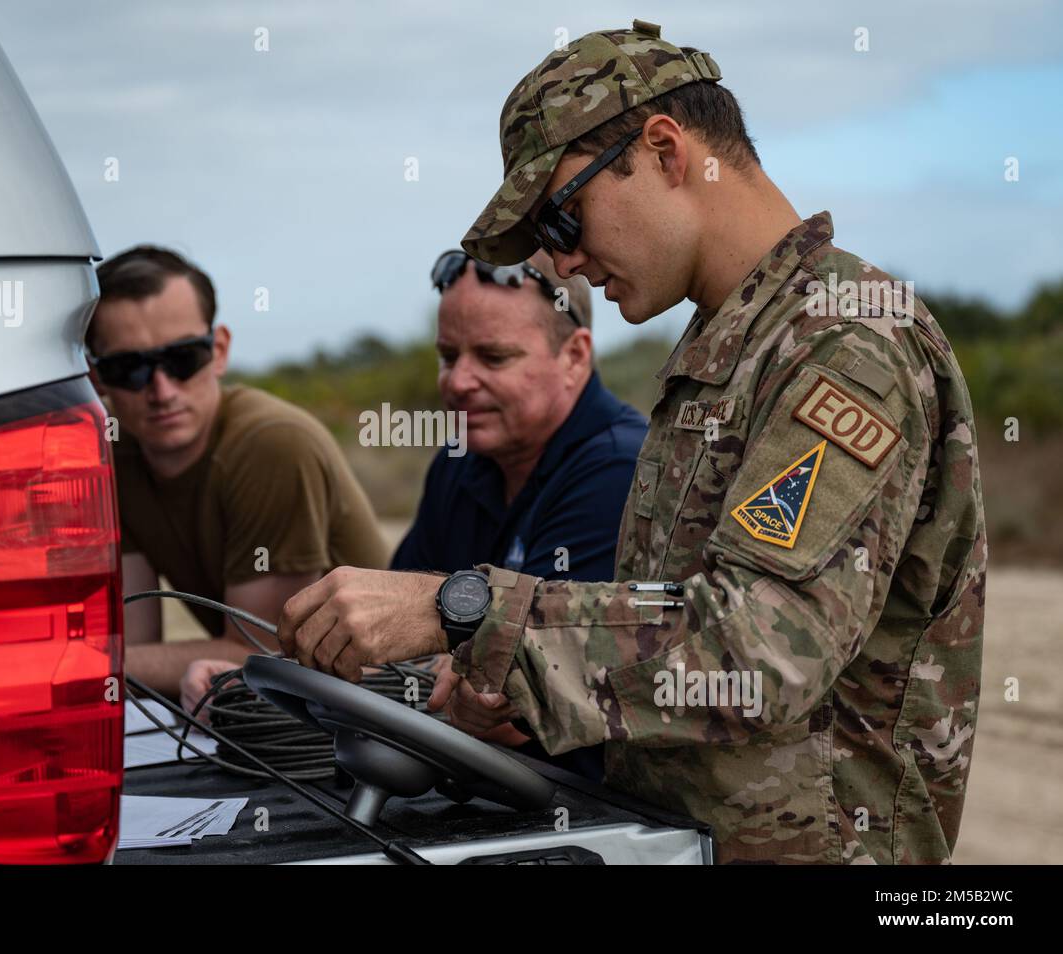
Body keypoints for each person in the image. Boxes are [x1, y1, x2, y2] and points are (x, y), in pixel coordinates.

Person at [277, 21, 986, 864]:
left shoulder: (847, 345)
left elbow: (757, 652)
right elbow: (671, 643)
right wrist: (509, 685)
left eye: (564, 218)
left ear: (663, 150)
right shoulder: (730, 350)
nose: (563, 264)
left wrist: (458, 608)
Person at [87, 245, 388, 709]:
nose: (161, 390)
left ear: (219, 350)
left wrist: (75, 662)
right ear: (97, 378)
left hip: (380, 704)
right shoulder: (112, 453)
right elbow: (136, 644)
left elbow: (266, 649)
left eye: (183, 358)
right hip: (273, 705)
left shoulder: (271, 445)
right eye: (131, 369)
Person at [394, 248, 647, 778]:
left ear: (575, 357)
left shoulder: (618, 468)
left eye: (493, 358)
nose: (457, 381)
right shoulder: (459, 463)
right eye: (447, 355)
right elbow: (393, 637)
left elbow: (515, 705)